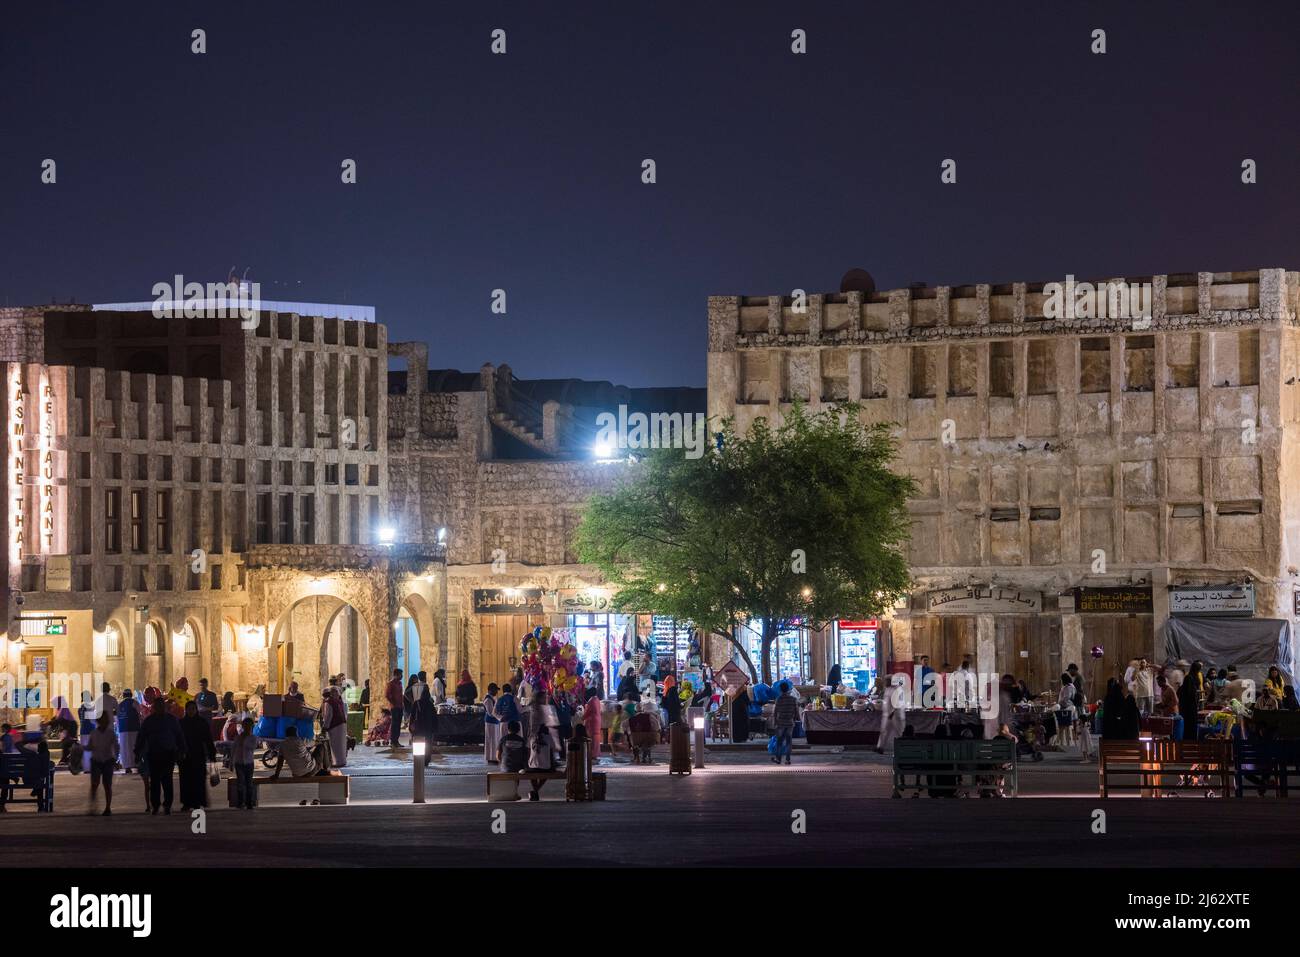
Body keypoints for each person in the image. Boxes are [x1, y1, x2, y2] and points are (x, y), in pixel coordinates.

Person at [135, 697, 186, 814]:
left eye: (161, 706)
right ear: (154, 708)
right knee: (155, 781)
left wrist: (182, 750)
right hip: (154, 754)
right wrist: (137, 752)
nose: (160, 709)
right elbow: (141, 737)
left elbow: (179, 736)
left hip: (168, 753)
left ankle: (167, 804)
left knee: (167, 780)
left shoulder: (171, 720)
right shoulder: (149, 721)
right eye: (158, 706)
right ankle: (156, 804)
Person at [179, 700, 217, 811]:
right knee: (186, 780)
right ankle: (186, 802)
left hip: (198, 755)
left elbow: (208, 739)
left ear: (196, 710)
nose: (191, 711)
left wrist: (212, 753)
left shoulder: (201, 722)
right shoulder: (181, 723)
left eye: (193, 709)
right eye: (189, 709)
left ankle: (197, 802)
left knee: (198, 779)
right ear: (186, 710)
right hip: (185, 756)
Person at [87, 717, 119, 816]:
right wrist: (81, 748)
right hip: (97, 760)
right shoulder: (94, 733)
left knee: (107, 785)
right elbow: (90, 746)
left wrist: (115, 759)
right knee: (94, 785)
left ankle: (107, 807)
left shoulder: (110, 733)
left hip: (107, 760)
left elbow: (116, 746)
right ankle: (93, 807)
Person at [525, 710, 555, 801]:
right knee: (547, 772)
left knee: (532, 773)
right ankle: (536, 790)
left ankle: (535, 791)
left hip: (533, 766)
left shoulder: (532, 737)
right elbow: (552, 752)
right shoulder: (549, 738)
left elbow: (528, 751)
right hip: (545, 767)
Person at [408, 675, 436, 767]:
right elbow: (434, 717)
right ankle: (426, 760)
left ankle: (418, 759)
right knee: (428, 744)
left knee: (418, 744)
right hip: (428, 728)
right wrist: (435, 728)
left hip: (418, 728)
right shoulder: (430, 704)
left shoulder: (417, 703)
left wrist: (410, 726)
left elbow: (412, 716)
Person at [876, 674, 907, 755]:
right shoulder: (888, 689)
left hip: (896, 715)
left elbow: (898, 703)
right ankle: (880, 747)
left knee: (899, 733)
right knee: (883, 731)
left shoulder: (898, 689)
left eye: (886, 681)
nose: (884, 682)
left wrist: (892, 713)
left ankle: (903, 749)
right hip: (887, 715)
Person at [231, 717, 258, 809]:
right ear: (243, 726)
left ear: (252, 727)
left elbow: (253, 747)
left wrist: (244, 742)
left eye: (249, 726)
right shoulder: (237, 737)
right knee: (240, 783)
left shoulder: (253, 738)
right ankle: (240, 802)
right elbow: (233, 749)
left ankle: (249, 803)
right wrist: (231, 762)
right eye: (245, 726)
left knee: (249, 783)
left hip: (249, 763)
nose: (247, 728)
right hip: (239, 763)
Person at [772, 680, 799, 765]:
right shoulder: (793, 699)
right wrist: (794, 720)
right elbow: (796, 712)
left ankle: (778, 759)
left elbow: (775, 712)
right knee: (788, 741)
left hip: (780, 723)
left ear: (780, 690)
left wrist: (775, 722)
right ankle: (787, 759)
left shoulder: (778, 699)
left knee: (779, 741)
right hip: (790, 723)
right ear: (788, 689)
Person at [321, 687, 349, 768]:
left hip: (335, 726)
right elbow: (345, 713)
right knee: (341, 744)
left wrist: (325, 726)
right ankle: (342, 761)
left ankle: (337, 762)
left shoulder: (329, 702)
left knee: (335, 745)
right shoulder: (340, 701)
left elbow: (328, 715)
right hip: (342, 724)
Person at [116, 688, 141, 773]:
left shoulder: (119, 705)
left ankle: (127, 767)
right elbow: (140, 713)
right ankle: (136, 764)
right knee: (134, 747)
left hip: (122, 730)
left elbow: (117, 718)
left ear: (123, 695)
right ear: (131, 695)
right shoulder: (134, 702)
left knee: (125, 748)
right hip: (134, 729)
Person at [1154, 674, 1184, 741]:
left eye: (1159, 682)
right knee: (1167, 731)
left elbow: (1176, 701)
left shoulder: (1170, 689)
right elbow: (1165, 700)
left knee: (1173, 731)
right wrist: (1159, 705)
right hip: (1166, 713)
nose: (1158, 684)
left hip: (1172, 713)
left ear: (1164, 681)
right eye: (1157, 682)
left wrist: (1167, 706)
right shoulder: (1162, 689)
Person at [1055, 674, 1076, 750]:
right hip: (1067, 707)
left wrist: (1059, 704)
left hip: (1067, 707)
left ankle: (1060, 740)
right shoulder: (1071, 686)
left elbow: (1066, 698)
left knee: (1061, 724)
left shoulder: (1069, 687)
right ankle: (1061, 740)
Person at [483, 683, 502, 764]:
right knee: (491, 740)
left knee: (494, 740)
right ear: (490, 690)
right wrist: (500, 716)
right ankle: (491, 757)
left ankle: (494, 757)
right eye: (495, 690)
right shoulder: (488, 700)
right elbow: (491, 713)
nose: (496, 692)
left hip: (494, 722)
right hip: (490, 722)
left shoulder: (492, 698)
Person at [385, 669, 405, 748]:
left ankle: (396, 741)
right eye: (401, 674)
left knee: (398, 724)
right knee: (394, 724)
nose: (402, 676)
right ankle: (393, 741)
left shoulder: (400, 683)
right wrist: (393, 702)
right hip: (394, 707)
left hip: (400, 706)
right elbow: (387, 695)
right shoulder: (391, 684)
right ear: (396, 674)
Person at [582, 688, 603, 758]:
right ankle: (596, 754)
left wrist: (583, 717)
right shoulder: (597, 700)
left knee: (592, 738)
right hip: (597, 720)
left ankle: (593, 754)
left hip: (592, 721)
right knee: (596, 738)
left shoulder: (591, 701)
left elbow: (588, 712)